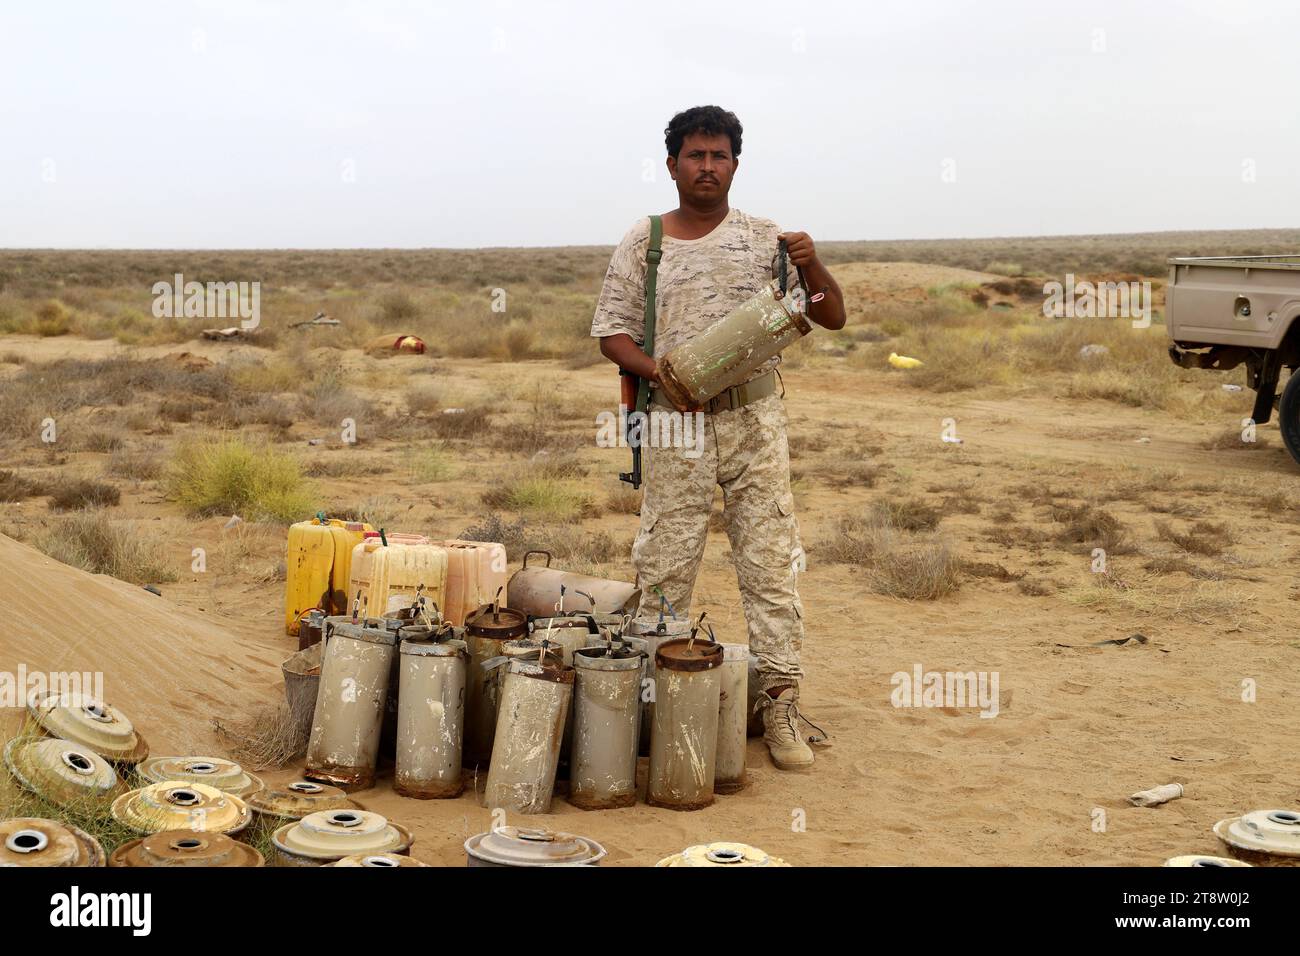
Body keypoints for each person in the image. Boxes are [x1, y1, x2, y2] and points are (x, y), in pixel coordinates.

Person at [590, 105, 846, 770]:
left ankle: (780, 706)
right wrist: (662, 376)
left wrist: (813, 267)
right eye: (696, 155)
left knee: (770, 562)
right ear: (672, 164)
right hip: (675, 420)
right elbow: (611, 332)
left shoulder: (769, 240)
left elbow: (832, 316)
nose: (708, 167)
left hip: (755, 422)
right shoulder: (643, 243)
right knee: (665, 566)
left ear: (736, 163)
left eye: (720, 155)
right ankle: (650, 701)